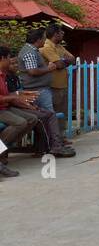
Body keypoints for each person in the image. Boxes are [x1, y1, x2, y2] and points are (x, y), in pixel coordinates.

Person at [0, 46, 74, 177]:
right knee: (21, 122)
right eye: (8, 59)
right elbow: (10, 97)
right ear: (2, 59)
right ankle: (3, 150)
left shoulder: (4, 75)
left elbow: (10, 95)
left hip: (6, 107)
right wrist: (15, 97)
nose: (11, 62)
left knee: (32, 118)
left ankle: (4, 149)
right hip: (3, 108)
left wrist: (20, 97)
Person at [39, 25, 75, 132]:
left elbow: (72, 58)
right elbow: (58, 64)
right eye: (61, 33)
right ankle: (55, 138)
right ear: (56, 34)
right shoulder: (47, 47)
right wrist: (63, 61)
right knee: (54, 113)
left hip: (62, 84)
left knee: (62, 112)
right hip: (53, 85)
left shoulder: (59, 47)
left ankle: (61, 136)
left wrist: (62, 61)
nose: (63, 35)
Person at [17, 28, 57, 113]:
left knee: (43, 116)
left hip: (38, 89)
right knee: (49, 115)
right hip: (37, 90)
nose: (45, 40)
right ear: (38, 39)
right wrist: (48, 68)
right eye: (44, 38)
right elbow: (32, 71)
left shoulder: (33, 50)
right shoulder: (30, 52)